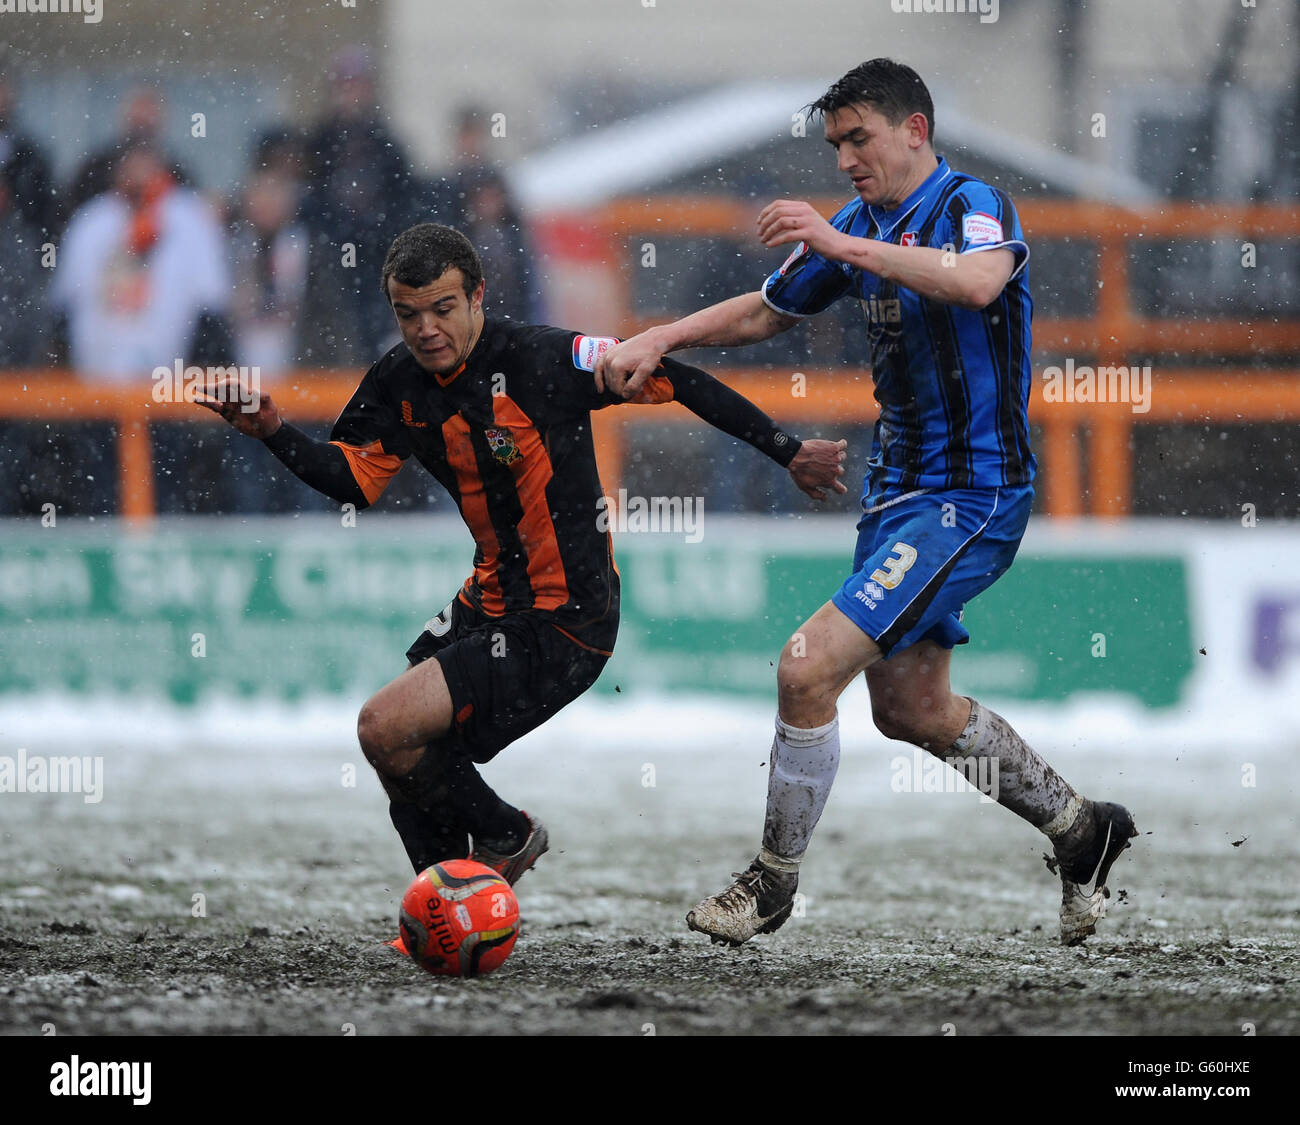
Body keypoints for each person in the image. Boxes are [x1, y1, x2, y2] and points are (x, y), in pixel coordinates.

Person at [597, 58, 1138, 948]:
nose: (847, 158)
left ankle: (771, 884)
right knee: (912, 709)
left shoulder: (974, 205)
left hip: (972, 496)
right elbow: (770, 311)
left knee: (806, 667)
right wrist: (663, 333)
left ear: (915, 130)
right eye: (836, 143)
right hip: (898, 497)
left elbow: (975, 283)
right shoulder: (859, 226)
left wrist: (841, 245)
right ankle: (1084, 830)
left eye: (861, 138)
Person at [197, 223, 847, 947]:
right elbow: (353, 479)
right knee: (398, 751)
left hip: (566, 618)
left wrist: (788, 451)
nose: (426, 329)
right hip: (489, 602)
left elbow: (679, 378)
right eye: (408, 313)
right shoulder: (397, 382)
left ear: (478, 295)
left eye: (443, 308)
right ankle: (451, 912)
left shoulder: (544, 359)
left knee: (386, 725)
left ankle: (505, 838)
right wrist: (274, 431)